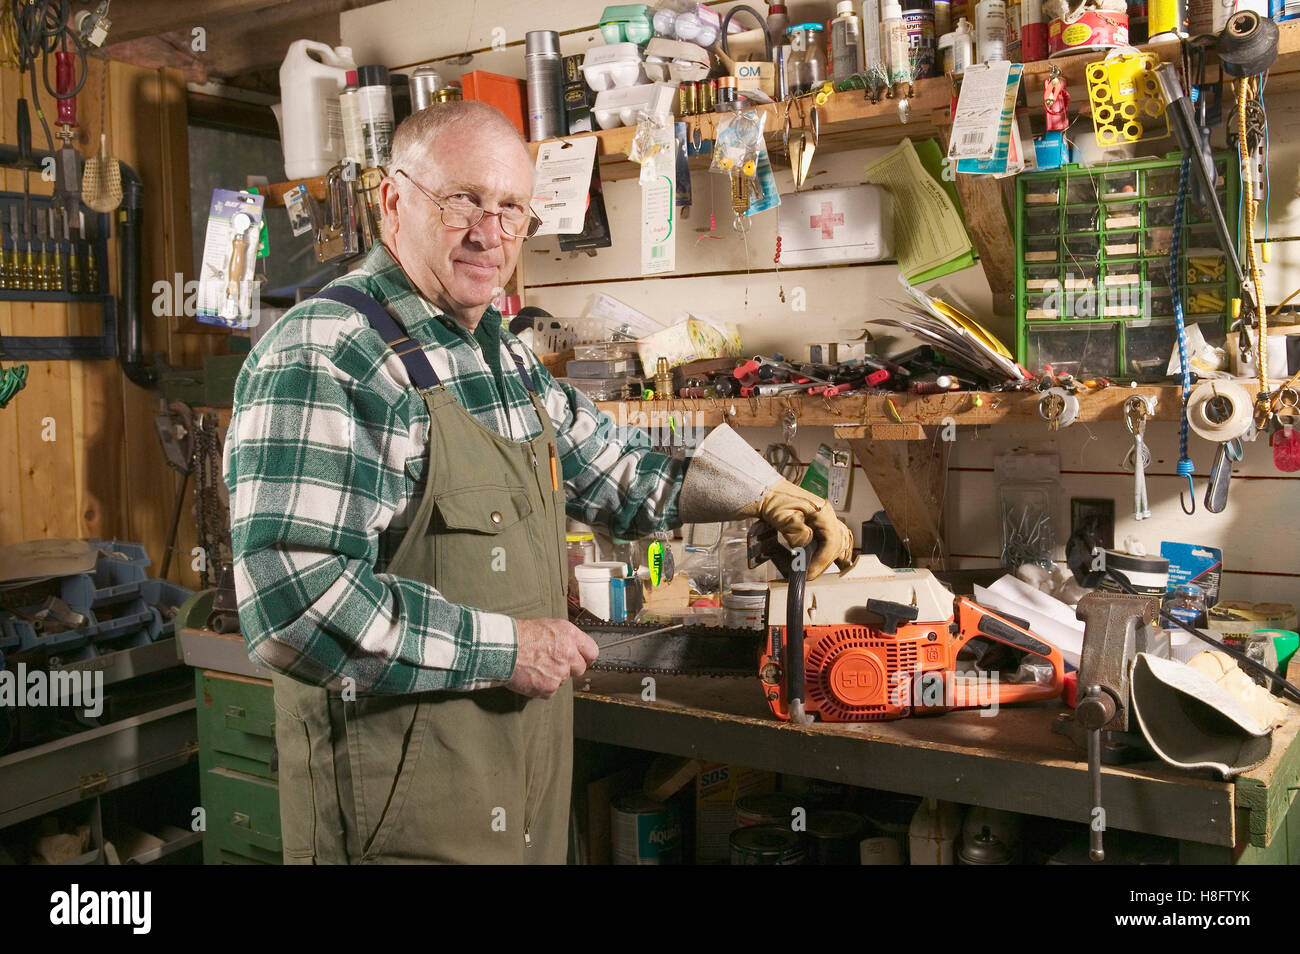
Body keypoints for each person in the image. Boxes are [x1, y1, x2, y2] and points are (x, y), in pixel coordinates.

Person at [223, 101, 853, 864]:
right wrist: (507, 648)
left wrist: (758, 491)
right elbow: (296, 605)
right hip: (395, 823)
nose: (489, 233)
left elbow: (619, 471)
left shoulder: (501, 354)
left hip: (520, 800)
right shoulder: (327, 352)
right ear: (393, 200)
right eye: (462, 200)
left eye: (512, 209)